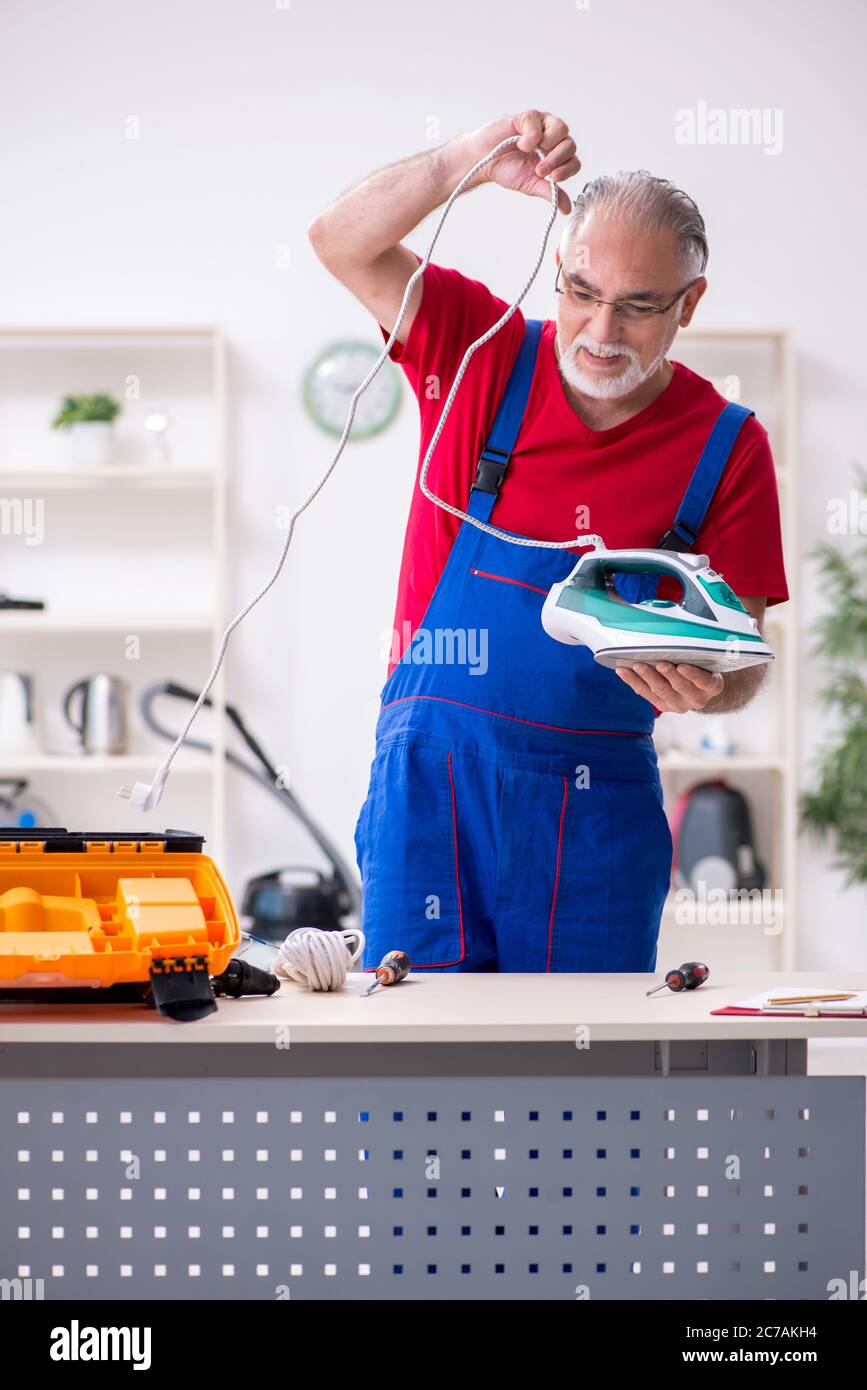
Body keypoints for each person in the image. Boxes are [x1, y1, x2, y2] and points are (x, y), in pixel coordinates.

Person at [309, 109, 789, 974]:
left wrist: (703, 689)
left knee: (588, 1087)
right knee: (412, 1068)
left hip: (595, 815)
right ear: (557, 275)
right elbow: (340, 240)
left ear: (690, 304)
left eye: (639, 307)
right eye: (581, 294)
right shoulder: (478, 354)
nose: (601, 335)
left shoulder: (727, 445)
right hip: (429, 795)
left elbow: (745, 658)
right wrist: (463, 159)